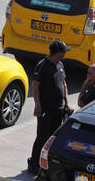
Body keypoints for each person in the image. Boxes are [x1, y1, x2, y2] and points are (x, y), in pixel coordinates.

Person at [28, 41, 71, 173]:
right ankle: (34, 164)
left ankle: (47, 163)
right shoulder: (42, 66)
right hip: (46, 110)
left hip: (59, 109)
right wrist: (37, 105)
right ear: (58, 53)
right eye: (64, 52)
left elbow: (63, 84)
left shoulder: (60, 64)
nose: (65, 54)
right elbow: (35, 85)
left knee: (53, 138)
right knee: (42, 137)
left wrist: (67, 103)